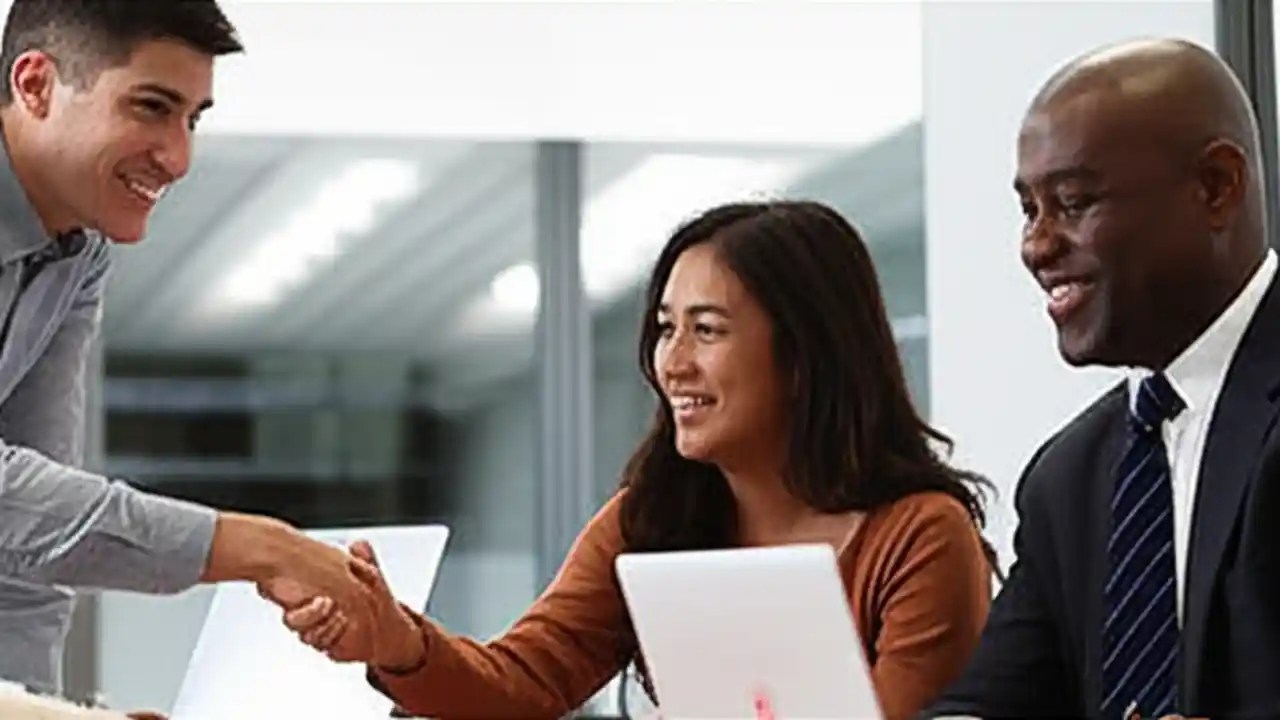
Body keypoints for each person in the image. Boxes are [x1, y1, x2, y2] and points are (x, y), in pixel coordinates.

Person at [282, 200, 996, 720]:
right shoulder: (652, 517)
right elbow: (524, 681)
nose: (671, 364)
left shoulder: (921, 536)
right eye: (664, 330)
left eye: (707, 330)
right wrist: (397, 640)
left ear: (803, 356)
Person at [0, 0, 379, 711]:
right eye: (150, 107)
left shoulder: (79, 252)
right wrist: (253, 547)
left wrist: (37, 711)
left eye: (192, 118)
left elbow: (21, 556)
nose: (178, 157)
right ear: (36, 85)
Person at [928, 38, 1280, 719]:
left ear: (1216, 187)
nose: (1037, 245)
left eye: (1073, 201)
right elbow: (988, 705)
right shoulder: (1070, 476)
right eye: (1029, 210)